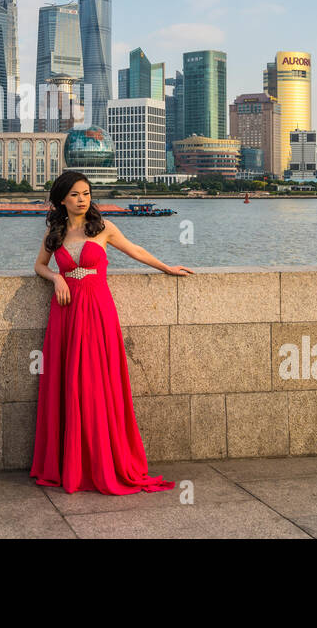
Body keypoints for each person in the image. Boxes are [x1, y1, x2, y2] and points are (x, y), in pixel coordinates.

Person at [30, 170, 194, 494]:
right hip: (64, 316)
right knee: (67, 385)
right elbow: (39, 265)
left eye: (87, 193)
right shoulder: (56, 231)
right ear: (62, 199)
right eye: (75, 194)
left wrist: (167, 268)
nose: (82, 199)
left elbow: (136, 251)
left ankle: (101, 463)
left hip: (97, 313)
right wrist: (57, 278)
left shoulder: (103, 228)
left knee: (94, 385)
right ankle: (70, 465)